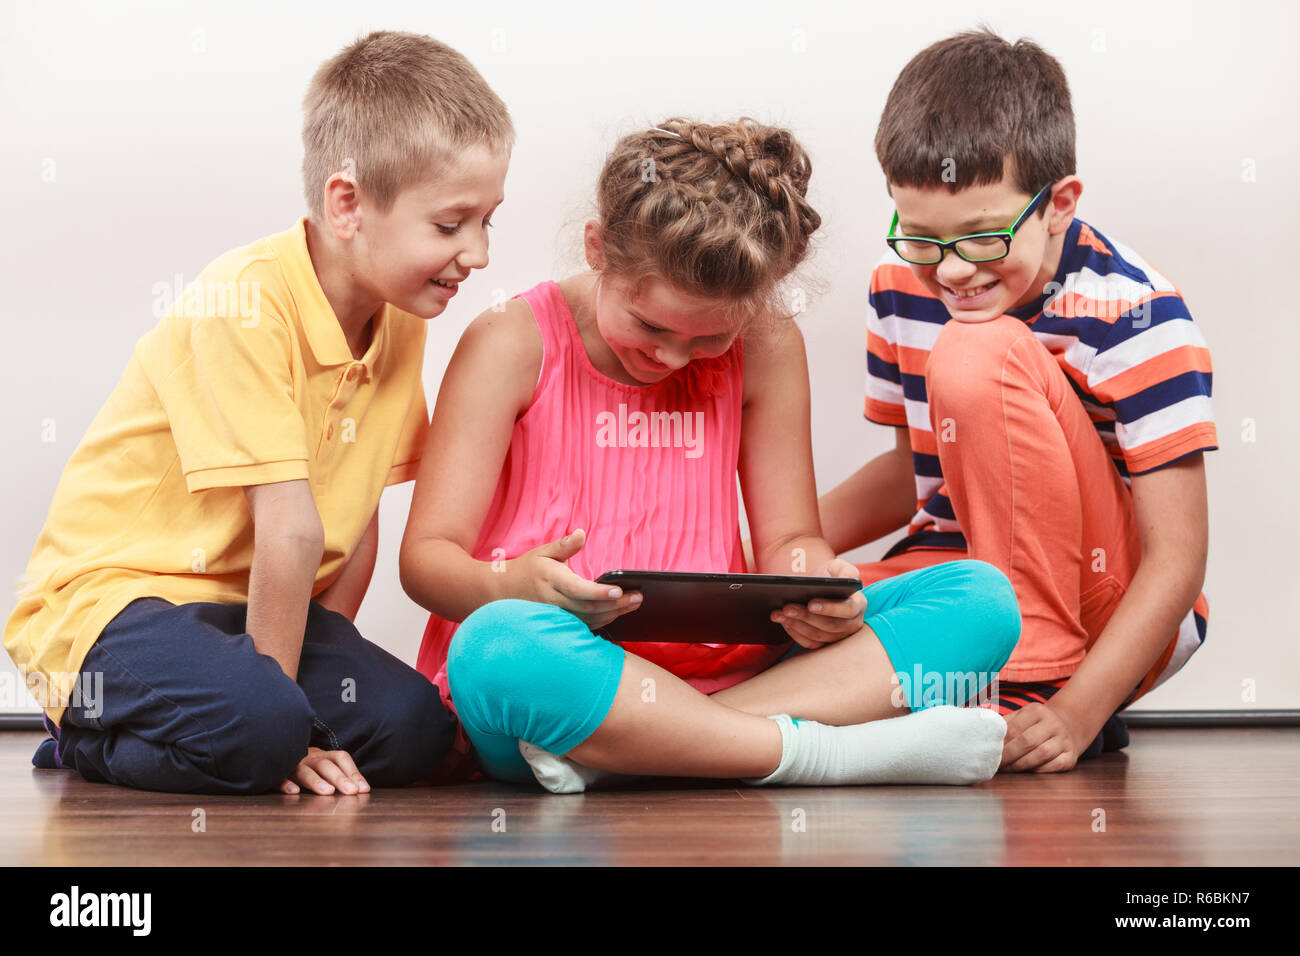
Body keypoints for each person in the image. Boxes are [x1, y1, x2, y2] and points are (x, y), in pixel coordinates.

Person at [399, 118, 1019, 793]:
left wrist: (816, 588)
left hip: (728, 674)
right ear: (598, 249)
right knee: (494, 647)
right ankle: (825, 755)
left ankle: (648, 751)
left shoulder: (768, 344)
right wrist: (504, 585)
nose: (671, 359)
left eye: (708, 340)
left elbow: (790, 538)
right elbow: (427, 559)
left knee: (980, 599)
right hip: (567, 679)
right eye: (651, 327)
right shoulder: (511, 342)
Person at [3, 30, 514, 795]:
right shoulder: (241, 302)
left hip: (242, 619)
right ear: (348, 204)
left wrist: (322, 654)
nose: (475, 254)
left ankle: (251, 728)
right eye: (450, 226)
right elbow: (294, 527)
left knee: (415, 729)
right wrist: (289, 718)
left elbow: (356, 515)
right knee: (268, 729)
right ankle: (86, 738)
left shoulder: (402, 315)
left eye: (488, 222)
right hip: (112, 608)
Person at [820, 28, 1215, 773]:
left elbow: (1178, 559)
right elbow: (916, 472)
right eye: (923, 238)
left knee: (978, 348)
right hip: (964, 574)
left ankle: (1033, 672)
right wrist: (771, 558)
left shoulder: (1137, 312)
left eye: (980, 238)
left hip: (1105, 601)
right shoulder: (901, 282)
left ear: (1059, 203)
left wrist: (1078, 710)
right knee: (793, 619)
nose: (952, 273)